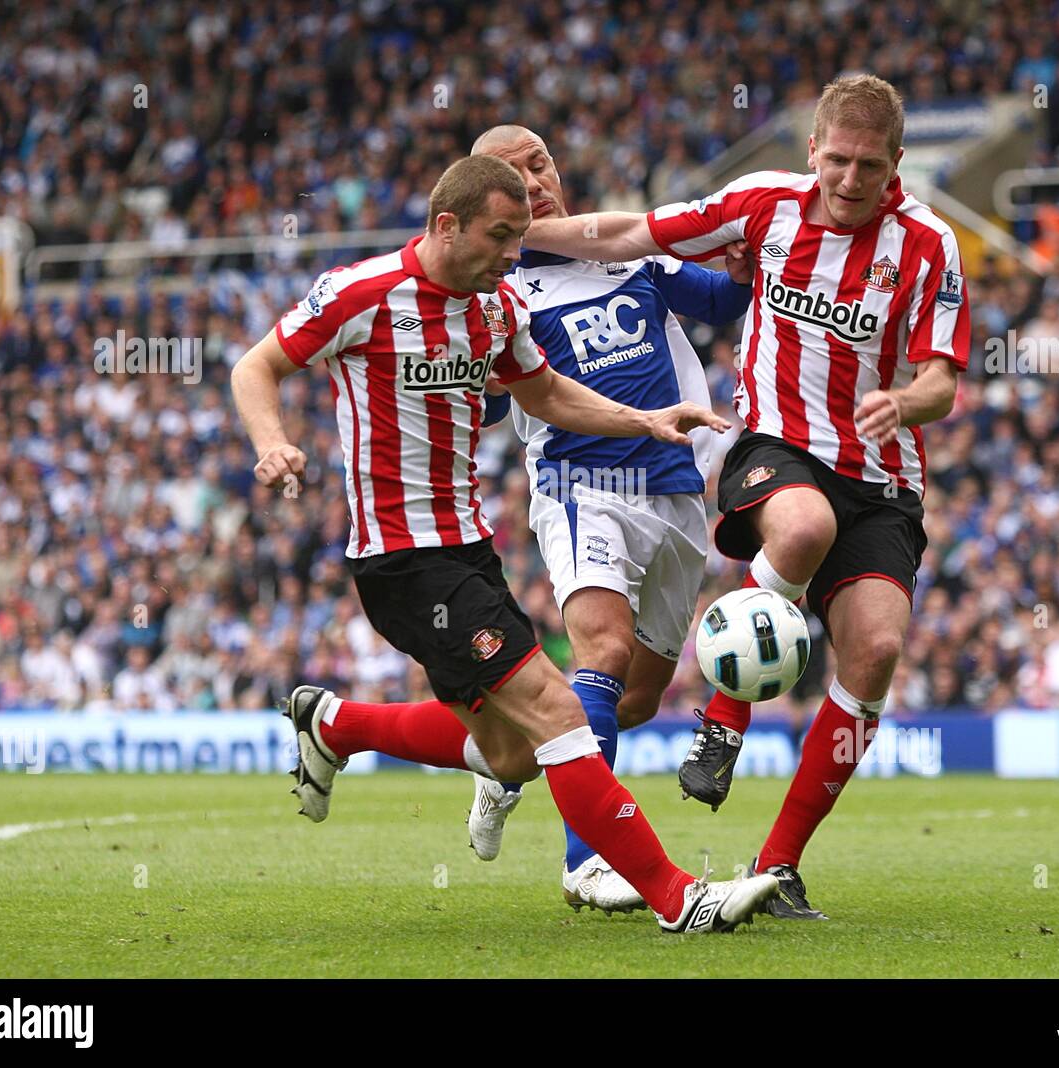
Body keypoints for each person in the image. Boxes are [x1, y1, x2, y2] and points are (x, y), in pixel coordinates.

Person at [229, 153, 777, 933]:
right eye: (500, 236)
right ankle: (676, 896)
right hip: (402, 559)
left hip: (468, 549)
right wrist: (271, 441)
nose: (514, 255)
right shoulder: (362, 293)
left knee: (516, 754)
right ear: (446, 224)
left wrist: (647, 421)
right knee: (561, 710)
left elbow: (547, 392)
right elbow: (258, 365)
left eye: (521, 237)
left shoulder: (496, 309)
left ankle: (335, 724)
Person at [522, 74, 970, 919]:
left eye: (867, 167)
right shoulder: (763, 203)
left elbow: (943, 381)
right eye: (835, 160)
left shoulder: (928, 244)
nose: (847, 180)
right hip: (776, 445)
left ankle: (779, 864)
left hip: (882, 475)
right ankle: (724, 723)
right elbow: (631, 231)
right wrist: (512, 231)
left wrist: (904, 401)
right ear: (811, 151)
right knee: (802, 524)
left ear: (896, 164)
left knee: (874, 653)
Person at [465, 125, 753, 913]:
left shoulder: (628, 248)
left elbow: (725, 300)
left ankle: (502, 759)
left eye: (542, 164)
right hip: (580, 480)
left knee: (635, 697)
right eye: (514, 177)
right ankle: (586, 861)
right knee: (605, 648)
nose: (535, 183)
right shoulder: (496, 288)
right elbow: (490, 403)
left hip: (676, 488)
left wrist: (744, 249)